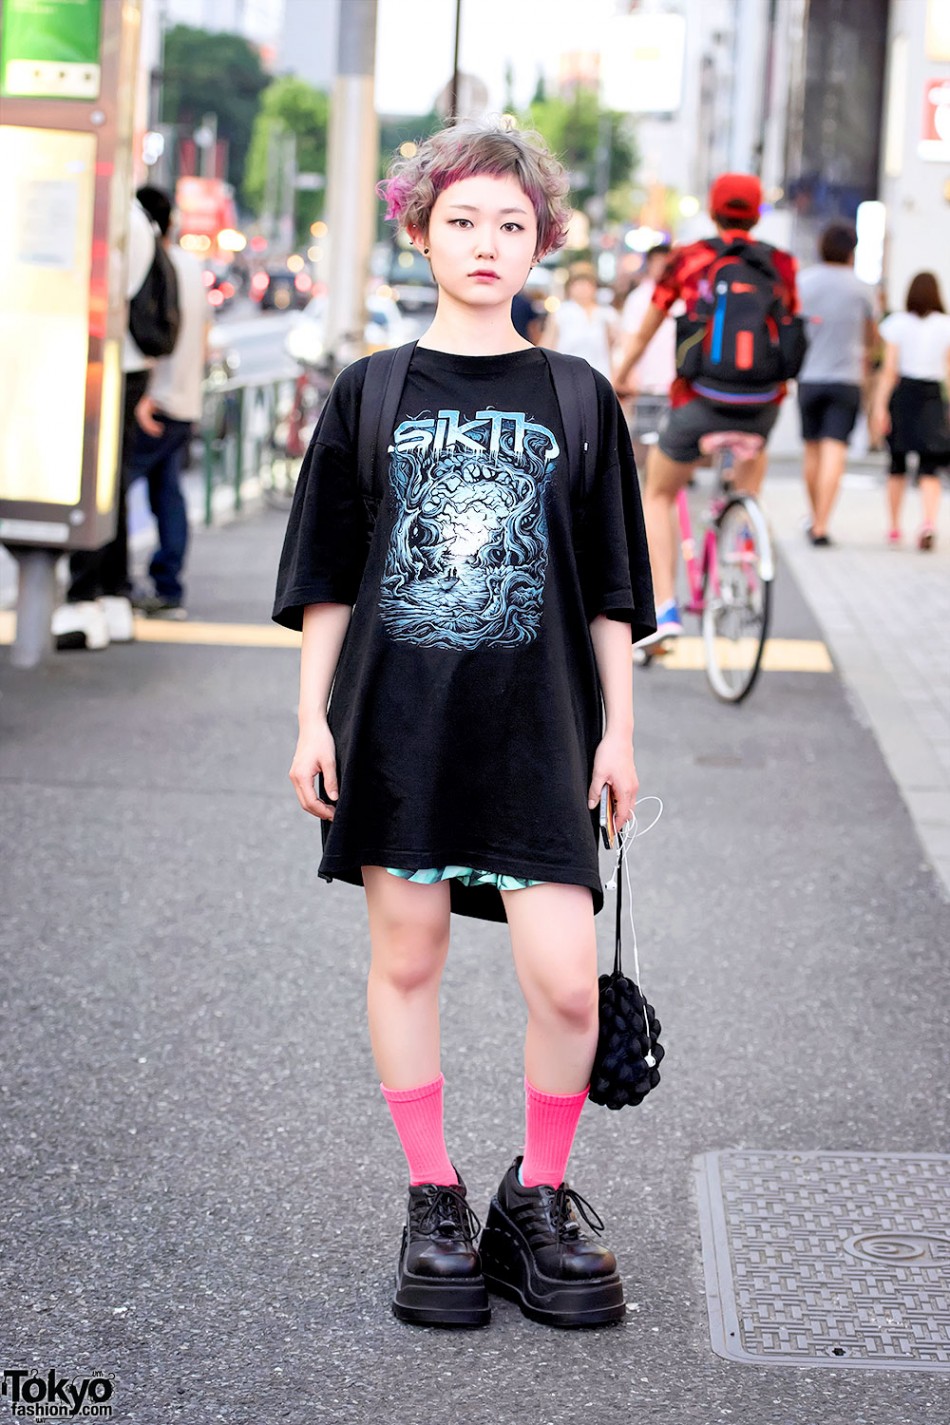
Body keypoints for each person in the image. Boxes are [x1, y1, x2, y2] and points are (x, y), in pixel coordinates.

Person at [273, 118, 655, 1331]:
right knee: (409, 958)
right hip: (398, 730)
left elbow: (611, 591)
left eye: (511, 224)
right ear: (420, 231)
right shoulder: (371, 391)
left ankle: (533, 1202)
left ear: (541, 241)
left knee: (564, 988)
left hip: (541, 731)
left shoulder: (578, 397)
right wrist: (309, 724)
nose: (487, 244)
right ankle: (432, 1197)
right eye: (462, 222)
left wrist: (620, 735)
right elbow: (327, 578)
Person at [614, 174, 799, 643]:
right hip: (761, 403)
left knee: (656, 492)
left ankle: (665, 607)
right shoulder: (780, 263)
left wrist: (620, 375)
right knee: (750, 473)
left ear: (713, 212)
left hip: (700, 400)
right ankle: (744, 543)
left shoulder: (691, 259)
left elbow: (649, 325)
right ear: (757, 215)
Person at [52, 200, 157, 649]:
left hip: (103, 359)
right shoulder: (135, 217)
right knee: (109, 484)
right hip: (126, 364)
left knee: (93, 483)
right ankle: (112, 597)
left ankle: (86, 598)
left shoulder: (110, 209)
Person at [129, 185, 209, 618]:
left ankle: (114, 587)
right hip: (185, 399)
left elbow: (150, 334)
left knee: (116, 491)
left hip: (153, 401)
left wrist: (144, 394)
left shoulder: (153, 266)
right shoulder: (192, 266)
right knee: (168, 496)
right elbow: (203, 336)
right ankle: (168, 587)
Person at [796, 222, 877, 546]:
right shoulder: (862, 288)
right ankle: (821, 524)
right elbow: (871, 338)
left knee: (812, 452)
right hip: (846, 380)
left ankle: (814, 516)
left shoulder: (803, 282)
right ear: (851, 250)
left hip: (809, 377)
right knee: (835, 453)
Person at [871, 271, 950, 550]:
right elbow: (949, 371)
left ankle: (894, 527)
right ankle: (928, 522)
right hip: (932, 397)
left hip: (904, 395)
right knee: (930, 467)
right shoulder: (945, 325)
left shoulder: (897, 324)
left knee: (897, 465)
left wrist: (880, 408)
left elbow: (888, 371)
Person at [616, 243, 677, 472]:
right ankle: (645, 488)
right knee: (644, 442)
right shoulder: (639, 299)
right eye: (657, 263)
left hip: (676, 383)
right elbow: (631, 339)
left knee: (671, 444)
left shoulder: (683, 296)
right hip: (647, 383)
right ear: (649, 265)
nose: (662, 268)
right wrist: (627, 374)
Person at [542, 262, 618, 378]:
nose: (583, 288)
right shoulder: (561, 313)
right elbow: (547, 345)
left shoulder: (607, 314)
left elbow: (616, 350)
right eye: (578, 283)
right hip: (567, 377)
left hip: (601, 377)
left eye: (587, 283)